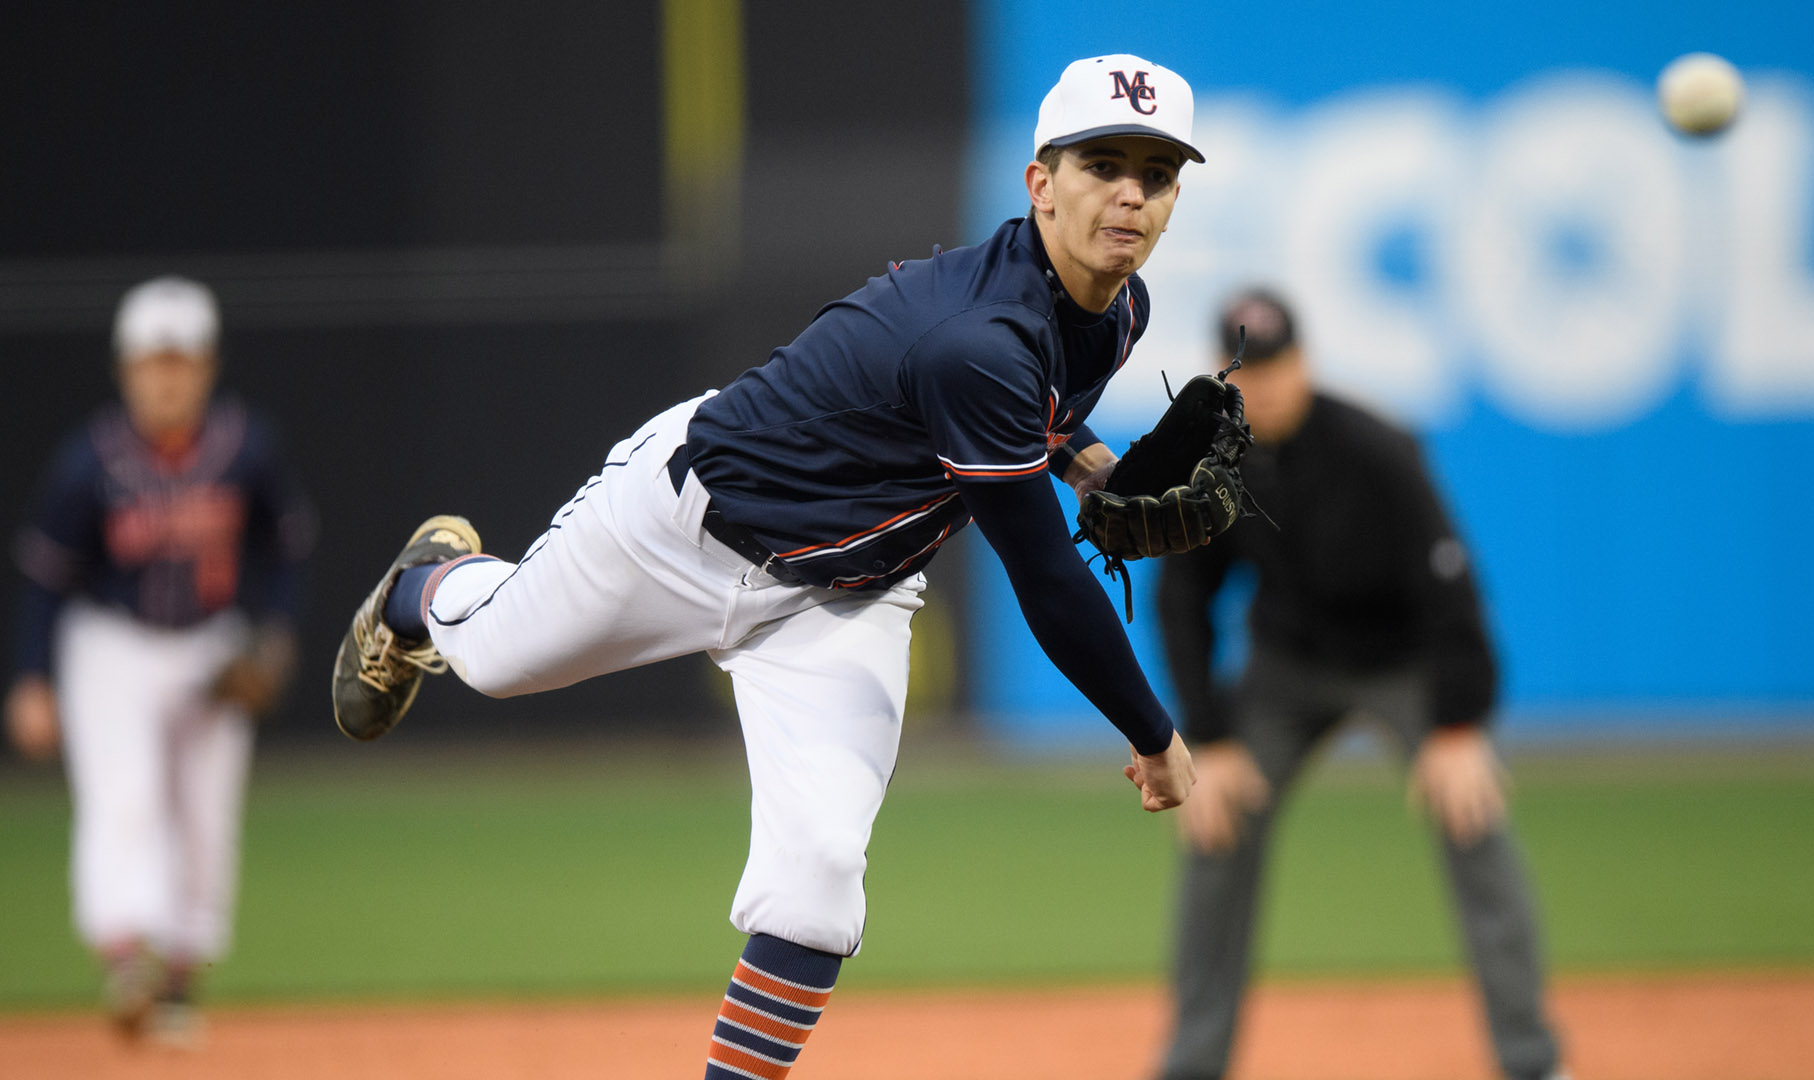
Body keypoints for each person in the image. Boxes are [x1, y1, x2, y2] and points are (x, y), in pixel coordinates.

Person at [331, 54, 1202, 1080]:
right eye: (1105, 163)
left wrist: (1090, 466)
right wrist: (1154, 733)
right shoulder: (975, 339)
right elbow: (1047, 578)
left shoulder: (1117, 307)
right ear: (1040, 182)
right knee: (494, 658)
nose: (1133, 193)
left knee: (820, 881)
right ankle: (419, 590)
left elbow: (1043, 410)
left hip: (846, 597)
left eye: (1158, 169)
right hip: (681, 527)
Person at [1153, 289, 1565, 1080]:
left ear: (1304, 364)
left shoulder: (1374, 447)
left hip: (1403, 663)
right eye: (1247, 372)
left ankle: (1534, 1063)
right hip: (1286, 669)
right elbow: (1183, 603)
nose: (1263, 387)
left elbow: (1452, 585)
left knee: (1472, 817)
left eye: (1277, 367)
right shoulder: (1209, 459)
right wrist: (1209, 738)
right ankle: (1191, 1066)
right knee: (1216, 823)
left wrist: (1458, 727)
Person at [5, 276, 315, 1047]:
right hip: (112, 645)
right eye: (154, 362)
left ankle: (179, 980)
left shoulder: (247, 447)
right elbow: (45, 580)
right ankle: (122, 958)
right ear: (127, 370)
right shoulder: (89, 463)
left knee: (206, 817)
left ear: (208, 367)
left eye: (181, 361)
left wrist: (274, 635)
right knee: (127, 797)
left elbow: (289, 549)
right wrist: (31, 677)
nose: (168, 376)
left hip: (210, 645)